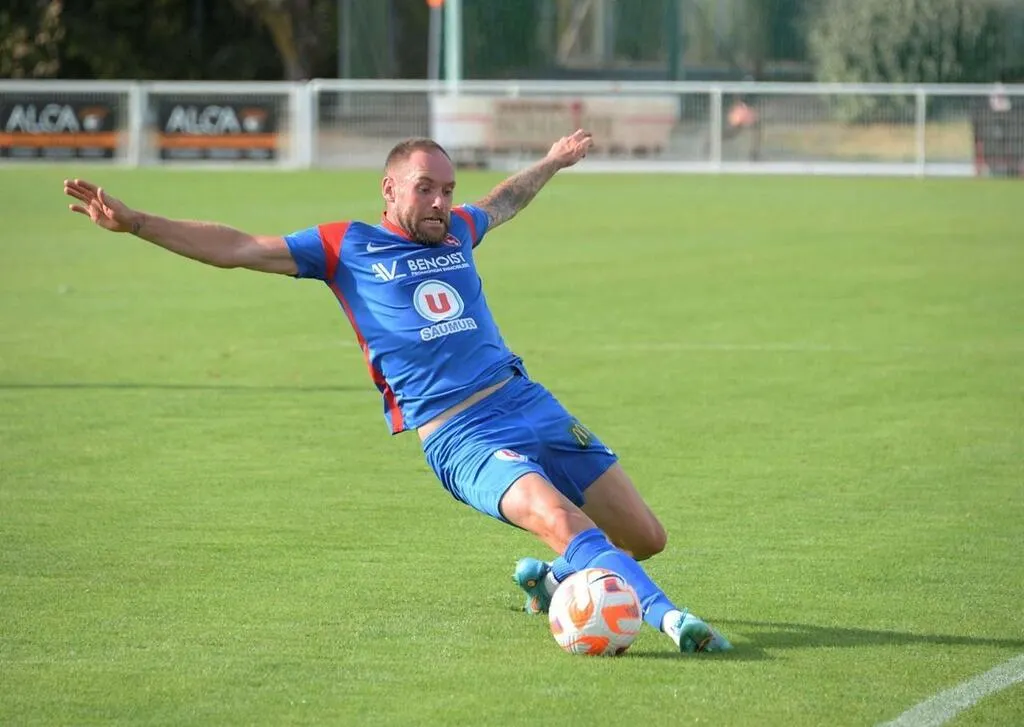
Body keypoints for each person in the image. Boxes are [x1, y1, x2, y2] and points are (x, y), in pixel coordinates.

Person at [62, 129, 732, 654]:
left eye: (447, 188)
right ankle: (671, 617)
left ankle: (552, 579)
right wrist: (140, 222)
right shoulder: (341, 247)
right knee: (565, 520)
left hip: (527, 400)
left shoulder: (460, 231)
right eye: (425, 189)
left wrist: (553, 160)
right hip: (459, 434)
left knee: (644, 537)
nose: (441, 202)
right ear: (389, 189)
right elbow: (238, 246)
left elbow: (503, 201)